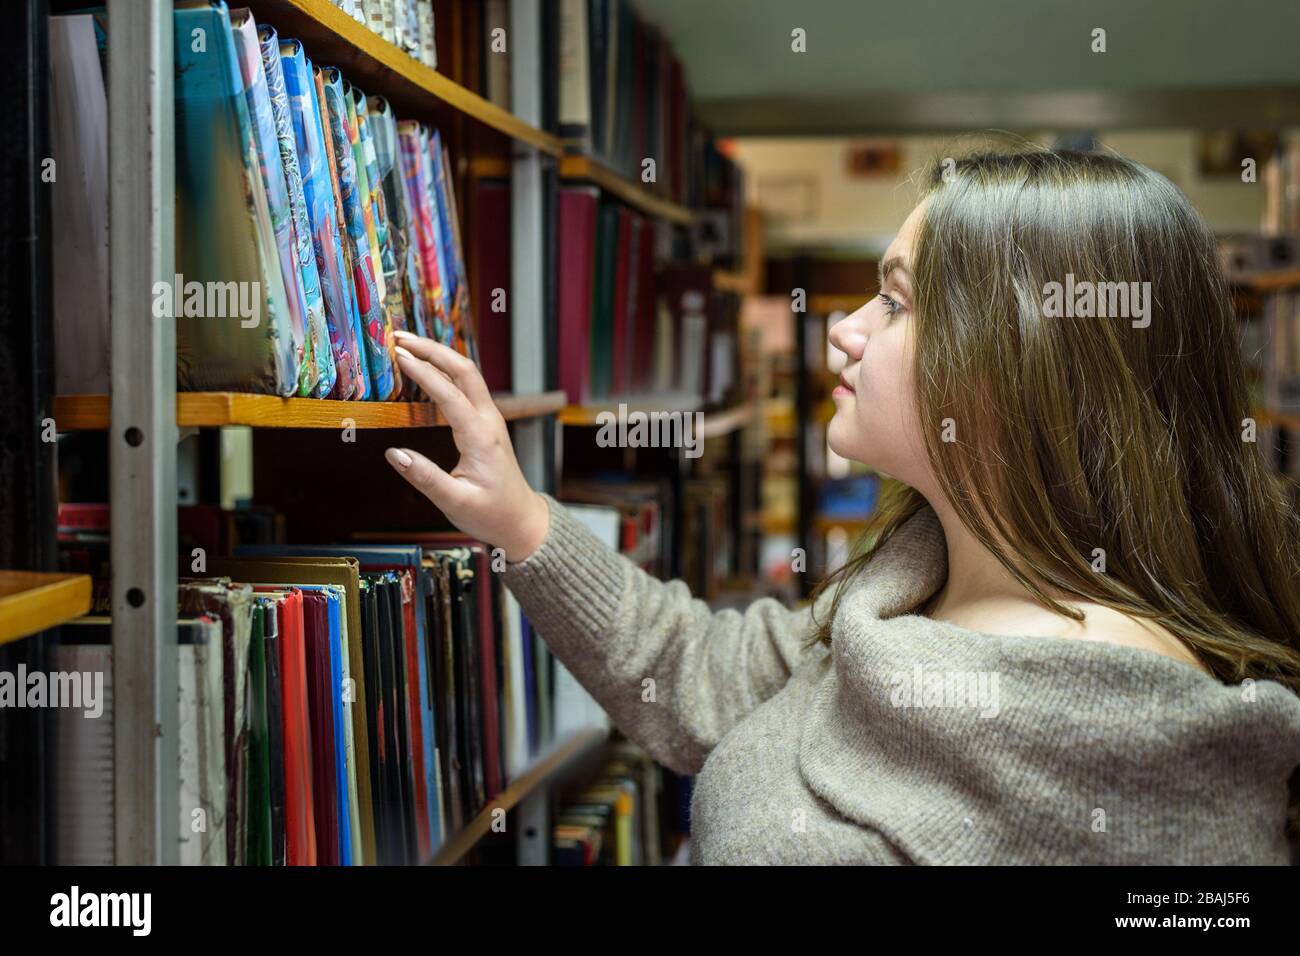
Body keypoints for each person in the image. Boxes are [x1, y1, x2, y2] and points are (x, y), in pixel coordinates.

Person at [382, 148, 1300, 864]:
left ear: (1021, 364)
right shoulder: (913, 579)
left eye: (895, 303)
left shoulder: (1133, 744)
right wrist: (519, 518)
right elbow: (702, 673)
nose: (846, 330)